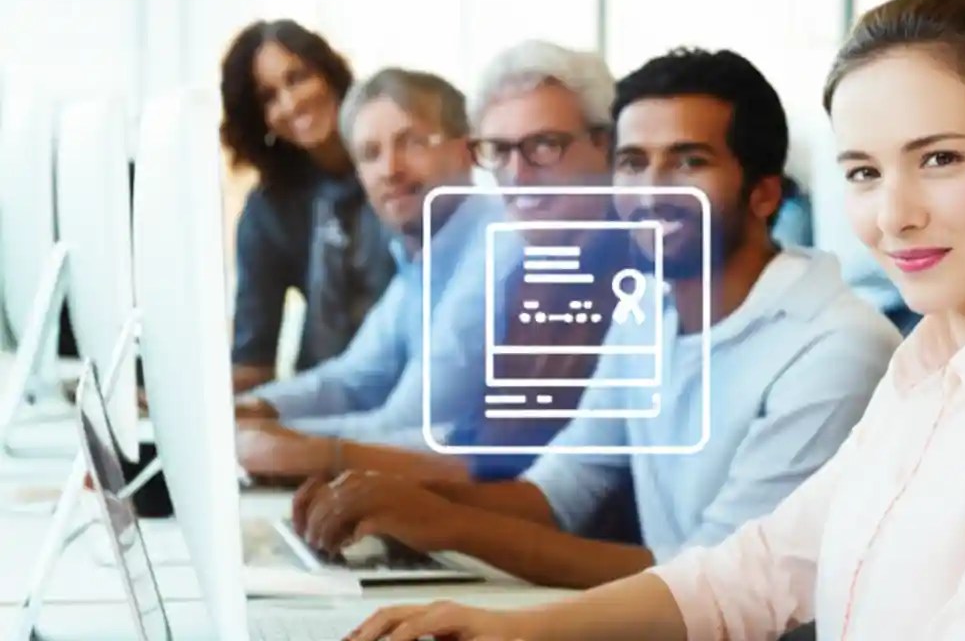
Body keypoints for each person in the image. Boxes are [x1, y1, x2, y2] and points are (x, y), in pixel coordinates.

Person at [343, 0, 965, 641]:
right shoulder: (931, 365)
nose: (894, 215)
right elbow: (751, 574)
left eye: (939, 159)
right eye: (864, 172)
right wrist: (510, 631)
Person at [298, 47, 899, 594]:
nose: (653, 191)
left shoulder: (834, 347)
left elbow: (713, 580)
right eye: (634, 164)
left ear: (765, 194)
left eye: (688, 162)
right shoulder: (648, 312)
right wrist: (397, 500)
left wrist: (445, 521)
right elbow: (564, 487)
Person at [233, 67, 508, 483]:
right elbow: (352, 380)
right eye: (369, 154)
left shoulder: (496, 247)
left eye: (412, 143)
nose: (389, 169)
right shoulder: (421, 260)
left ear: (466, 149)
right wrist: (252, 410)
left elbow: (406, 423)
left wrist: (270, 442)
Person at [220, 19, 394, 393]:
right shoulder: (269, 211)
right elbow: (254, 361)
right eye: (268, 97)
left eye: (298, 77)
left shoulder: (395, 170)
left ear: (329, 74)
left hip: (415, 392)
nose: (290, 103)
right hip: (321, 396)